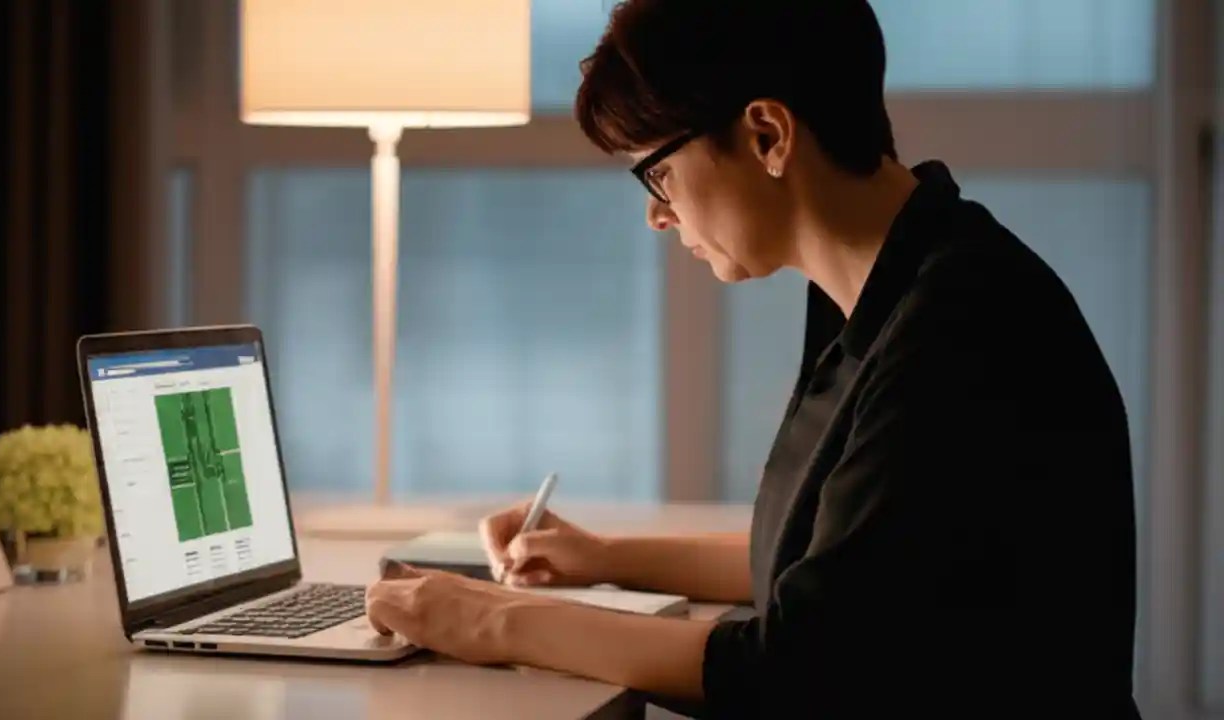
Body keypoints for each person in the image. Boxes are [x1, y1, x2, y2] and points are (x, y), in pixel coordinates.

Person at [365, 1, 1142, 717]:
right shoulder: (892, 284)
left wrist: (496, 621)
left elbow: (796, 670)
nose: (657, 214)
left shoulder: (960, 326)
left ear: (768, 135)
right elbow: (837, 564)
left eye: (658, 171)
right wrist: (601, 557)